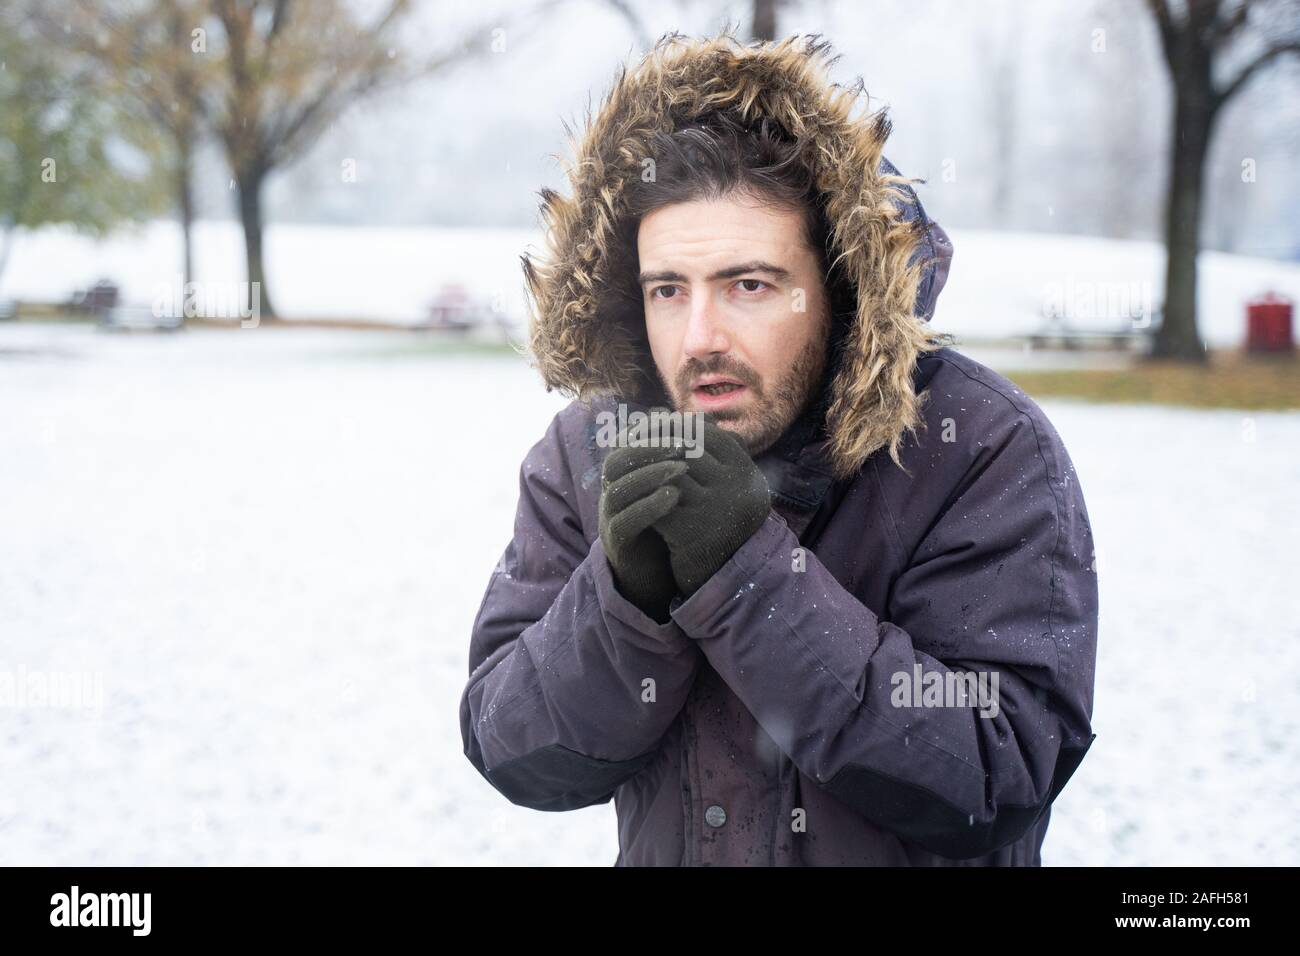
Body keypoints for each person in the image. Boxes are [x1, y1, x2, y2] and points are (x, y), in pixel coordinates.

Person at [458, 31, 1098, 866]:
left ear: (836, 283)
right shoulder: (589, 453)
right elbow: (510, 748)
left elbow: (998, 772)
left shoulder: (977, 449)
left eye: (748, 285)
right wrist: (625, 604)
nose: (699, 337)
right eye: (667, 290)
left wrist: (746, 578)